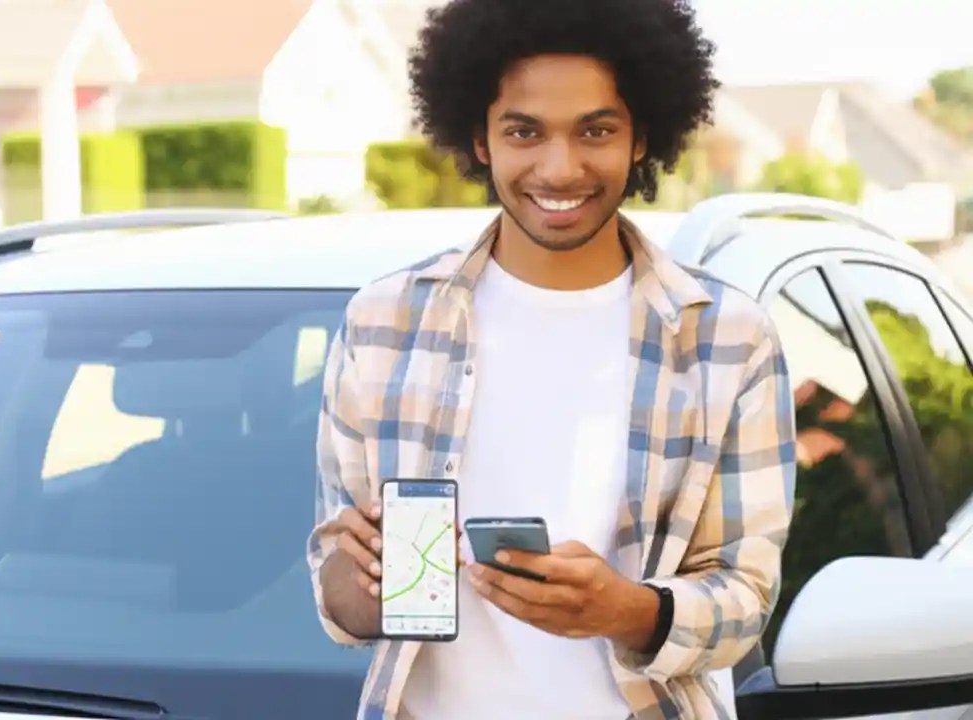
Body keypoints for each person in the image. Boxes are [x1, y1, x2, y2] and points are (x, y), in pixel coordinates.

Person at [305, 0, 798, 718]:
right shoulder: (382, 323)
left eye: (595, 130)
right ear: (480, 140)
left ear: (640, 139)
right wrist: (362, 582)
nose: (560, 168)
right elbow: (342, 598)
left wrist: (624, 609)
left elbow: (746, 598)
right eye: (524, 131)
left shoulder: (727, 338)